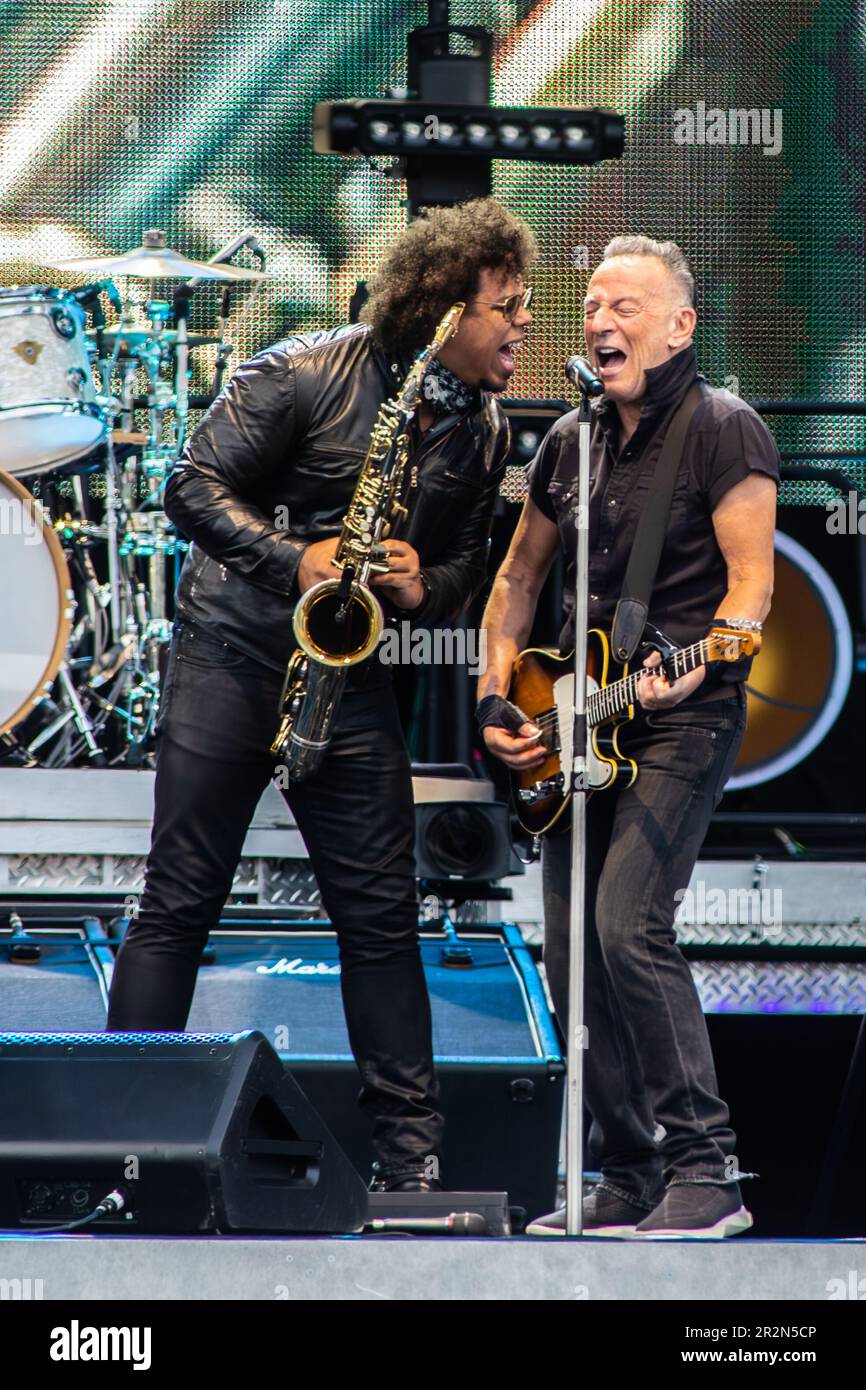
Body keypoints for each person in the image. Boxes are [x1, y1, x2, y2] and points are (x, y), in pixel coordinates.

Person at [106, 198, 536, 1193]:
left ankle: (409, 1165)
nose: (520, 326)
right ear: (444, 308)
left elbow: (468, 559)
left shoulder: (481, 432)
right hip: (231, 653)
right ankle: (121, 1149)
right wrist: (295, 558)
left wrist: (424, 583)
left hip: (346, 679)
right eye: (505, 307)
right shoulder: (299, 371)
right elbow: (191, 484)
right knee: (179, 903)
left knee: (381, 919)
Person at [478, 235, 778, 1236]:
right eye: (593, 306)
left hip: (681, 714)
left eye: (625, 308)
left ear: (680, 324)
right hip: (575, 724)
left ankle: (707, 1168)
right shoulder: (569, 441)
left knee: (625, 924)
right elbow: (517, 582)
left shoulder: (723, 430)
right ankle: (634, 1172)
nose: (600, 322)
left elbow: (748, 599)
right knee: (570, 954)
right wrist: (496, 706)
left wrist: (692, 663)